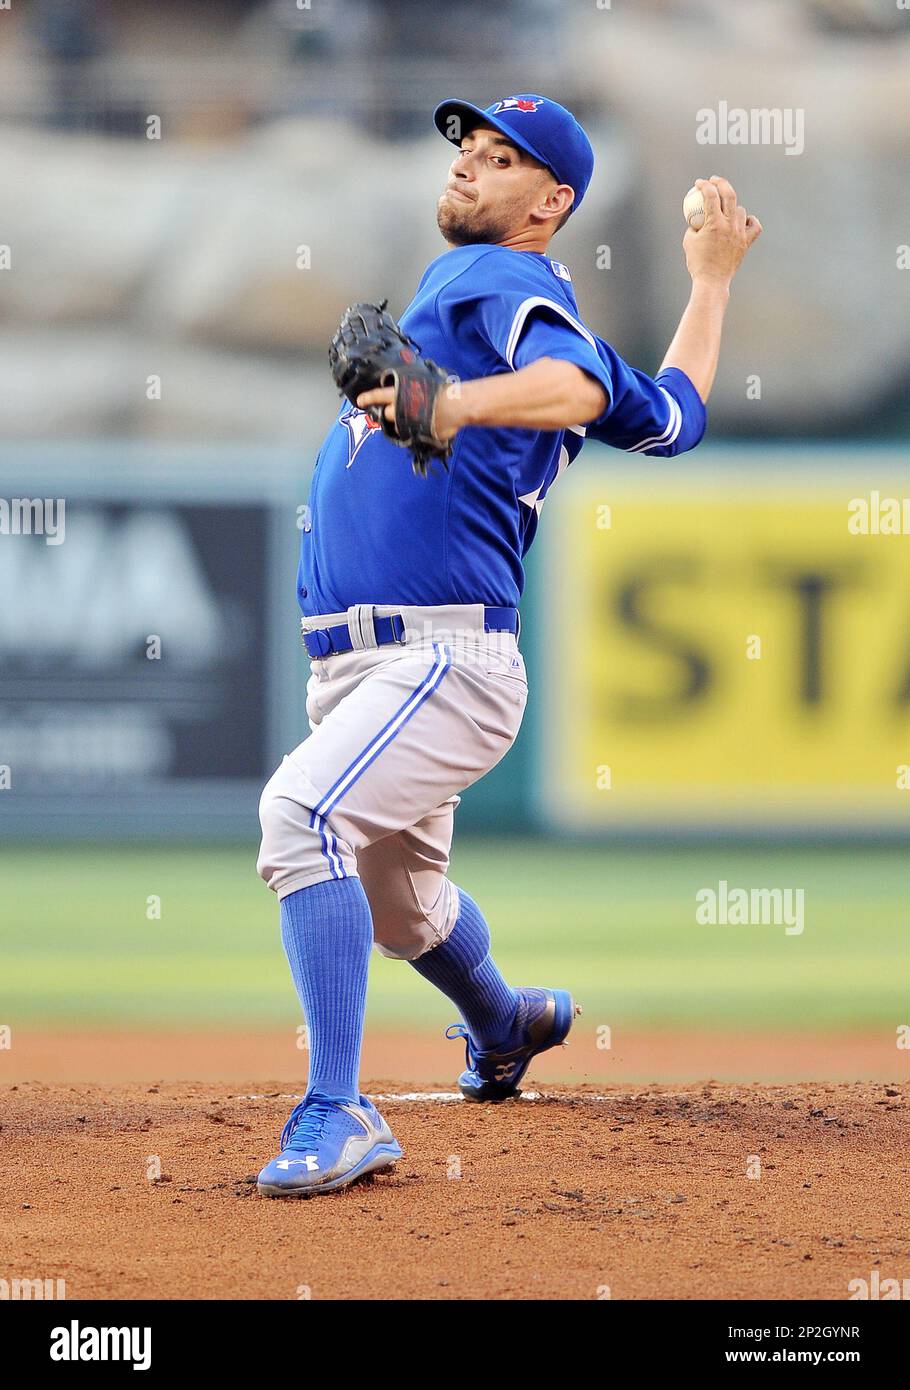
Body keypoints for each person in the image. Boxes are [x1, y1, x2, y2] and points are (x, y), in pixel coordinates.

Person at [255, 93, 762, 1196]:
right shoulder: (484, 298)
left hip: (440, 658)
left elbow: (573, 386)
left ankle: (338, 1109)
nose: (469, 170)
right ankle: (505, 1018)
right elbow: (669, 415)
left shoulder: (494, 280)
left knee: (302, 819)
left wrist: (451, 404)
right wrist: (710, 282)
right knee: (405, 915)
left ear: (551, 204)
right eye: (467, 153)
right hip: (367, 670)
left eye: (500, 160)